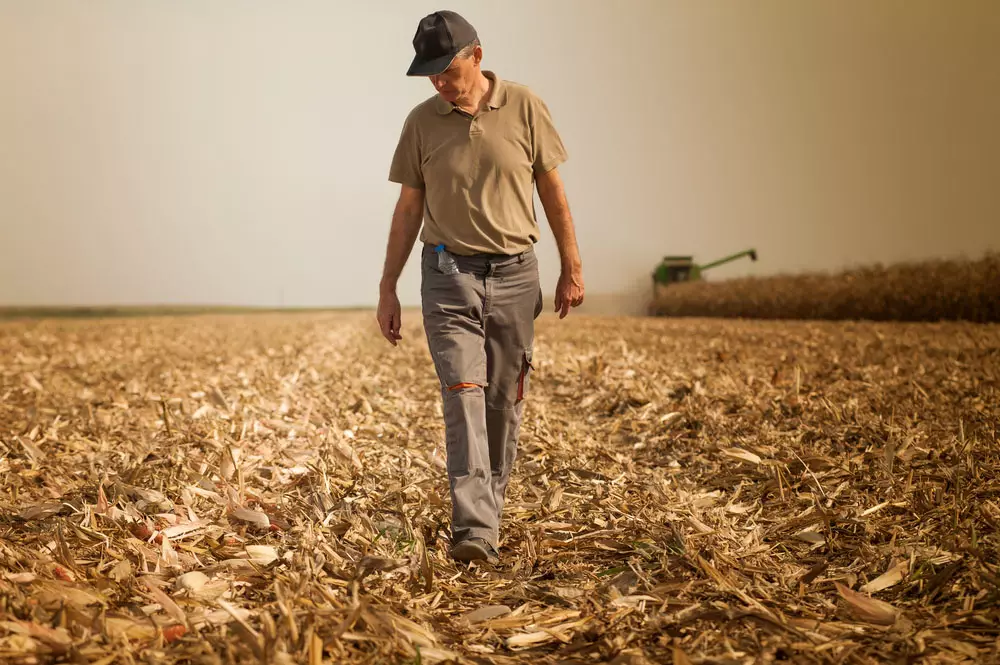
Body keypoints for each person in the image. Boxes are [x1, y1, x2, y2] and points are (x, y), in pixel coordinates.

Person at [376, 10, 584, 565]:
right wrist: (387, 287)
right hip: (448, 277)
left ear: (477, 55)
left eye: (446, 69)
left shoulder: (525, 106)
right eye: (430, 73)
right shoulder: (422, 122)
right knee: (462, 392)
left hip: (517, 274)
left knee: (501, 403)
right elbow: (408, 208)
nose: (438, 81)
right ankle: (473, 530)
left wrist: (572, 265)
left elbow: (552, 189)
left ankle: (485, 513)